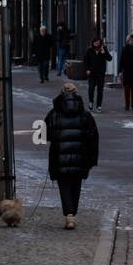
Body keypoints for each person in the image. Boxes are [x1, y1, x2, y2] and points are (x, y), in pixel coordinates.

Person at [46, 81, 99, 229]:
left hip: (59, 157)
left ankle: (69, 215)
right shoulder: (85, 115)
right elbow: (93, 137)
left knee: (64, 187)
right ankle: (72, 214)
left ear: (61, 93)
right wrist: (92, 159)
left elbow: (43, 135)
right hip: (80, 157)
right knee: (76, 186)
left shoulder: (54, 114)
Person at [83, 37, 112, 112]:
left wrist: (104, 53)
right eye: (95, 43)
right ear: (93, 43)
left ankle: (99, 105)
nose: (96, 45)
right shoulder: (89, 50)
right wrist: (87, 69)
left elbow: (109, 58)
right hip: (92, 73)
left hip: (100, 73)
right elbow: (86, 60)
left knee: (100, 90)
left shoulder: (103, 48)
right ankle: (91, 102)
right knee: (91, 88)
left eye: (98, 43)